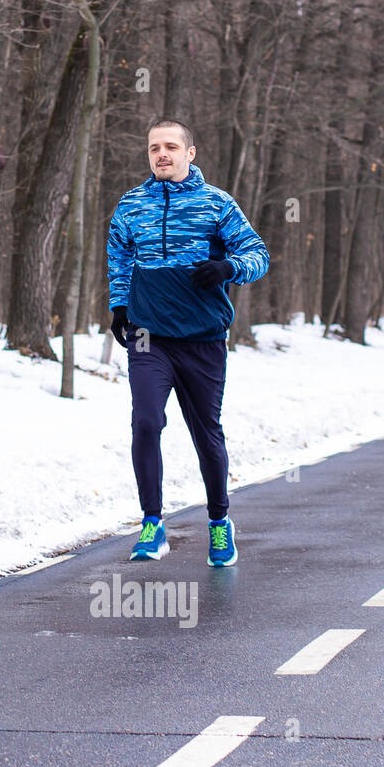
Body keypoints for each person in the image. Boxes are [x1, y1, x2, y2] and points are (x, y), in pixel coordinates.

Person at [106, 118, 269, 566]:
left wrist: (227, 268)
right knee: (145, 422)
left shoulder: (217, 204)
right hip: (147, 335)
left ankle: (219, 523)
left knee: (207, 434)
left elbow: (259, 255)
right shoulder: (131, 205)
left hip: (203, 339)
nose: (162, 154)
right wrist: (120, 305)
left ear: (189, 153)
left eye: (172, 147)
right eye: (155, 147)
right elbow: (118, 256)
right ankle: (152, 524)